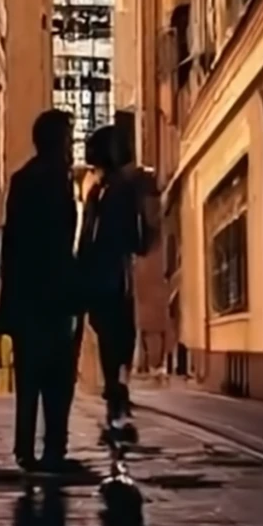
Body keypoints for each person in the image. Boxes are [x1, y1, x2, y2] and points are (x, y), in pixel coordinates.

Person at [0, 109, 78, 472]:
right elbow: (60, 238)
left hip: (26, 295)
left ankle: (24, 448)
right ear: (58, 141)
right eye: (68, 139)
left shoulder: (21, 179)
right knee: (57, 377)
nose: (71, 146)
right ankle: (54, 448)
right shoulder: (58, 178)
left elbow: (10, 242)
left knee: (28, 378)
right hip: (54, 294)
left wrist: (9, 294)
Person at [76, 125, 151, 439]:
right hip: (115, 276)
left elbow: (86, 239)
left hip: (100, 276)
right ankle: (117, 396)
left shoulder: (98, 190)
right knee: (120, 337)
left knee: (110, 339)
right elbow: (137, 238)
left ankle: (115, 396)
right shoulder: (122, 188)